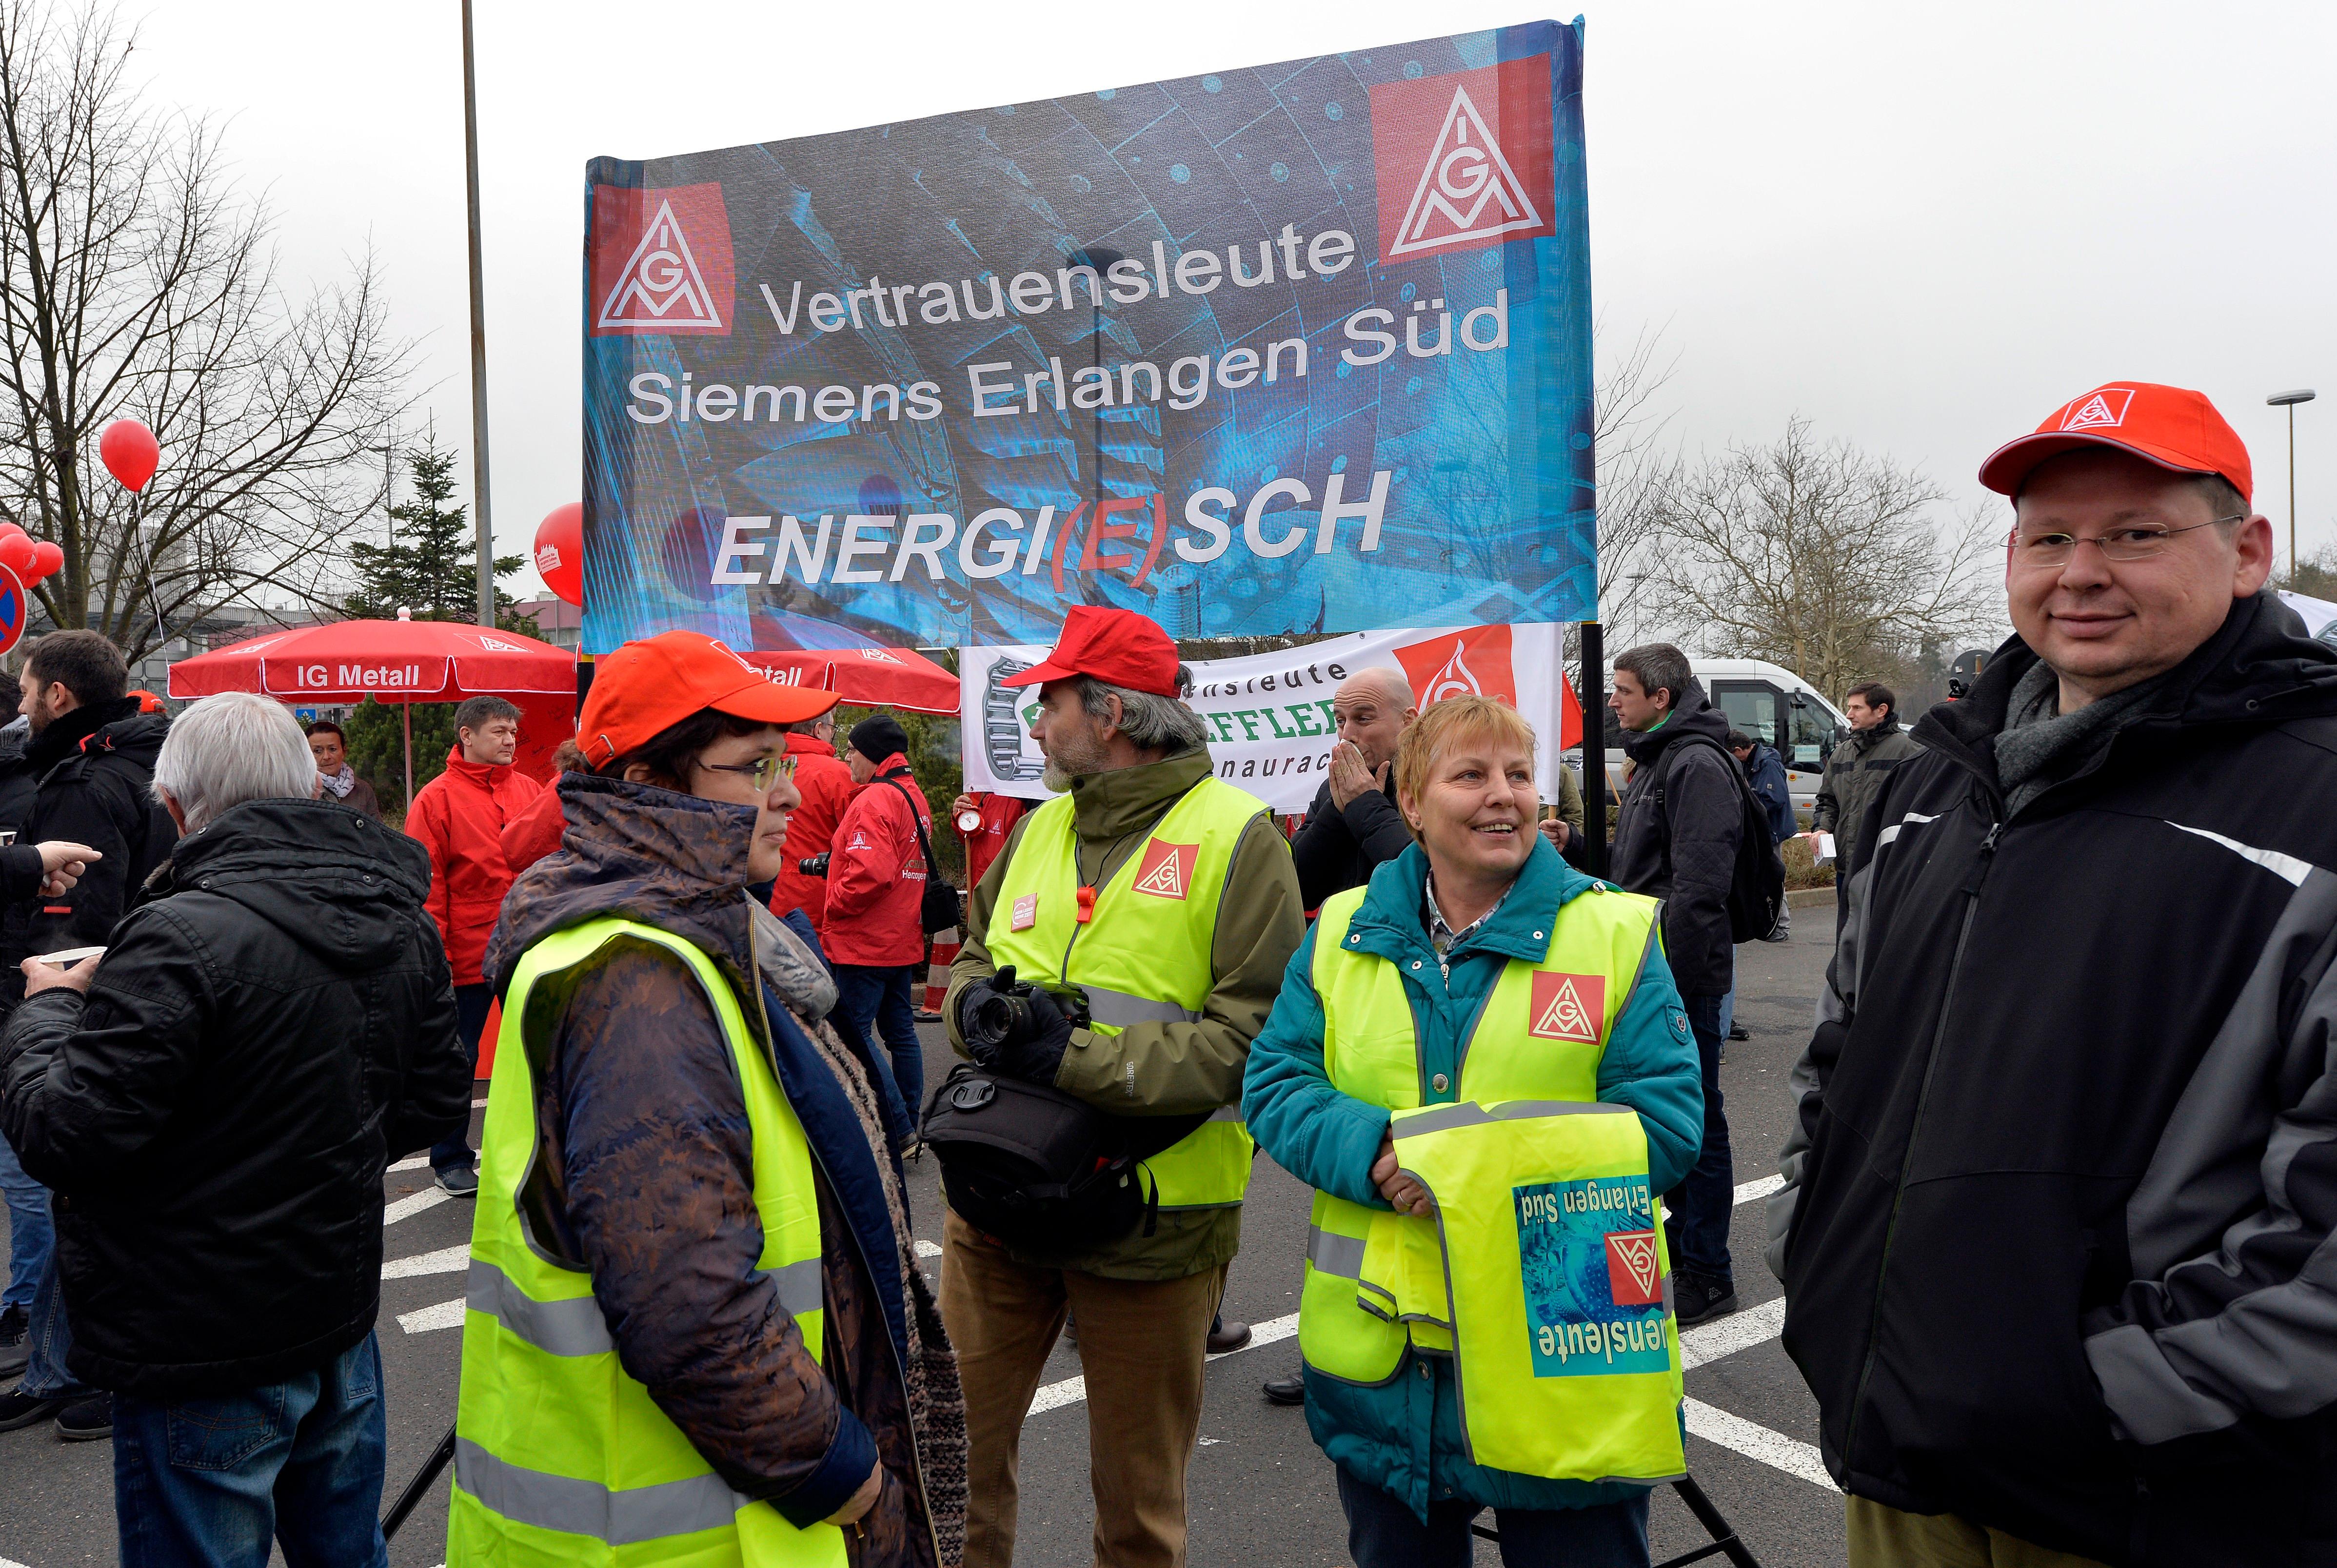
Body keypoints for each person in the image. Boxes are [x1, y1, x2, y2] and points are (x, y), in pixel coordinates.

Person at [1768, 382, 2337, 1568]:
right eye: (2047, 537)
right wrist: (1817, 1264)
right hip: (1901, 1463)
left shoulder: (2313, 799)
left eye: (2133, 533)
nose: (2079, 571)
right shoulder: (1929, 788)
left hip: (2153, 1495)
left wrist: (2090, 1396)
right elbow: (1839, 1060)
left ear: (2245, 554)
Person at [454, 631, 964, 1568]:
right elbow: (687, 1307)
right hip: (687, 1534)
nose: (788, 792)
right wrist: (846, 1477)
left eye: (783, 763)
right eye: (751, 768)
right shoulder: (634, 973)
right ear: (650, 781)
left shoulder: (682, 931)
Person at [0, 692, 471, 1558]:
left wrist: (46, 1012)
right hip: (332, 1315)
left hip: (199, 1341)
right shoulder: (400, 919)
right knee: (347, 1548)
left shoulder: (178, 934)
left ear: (176, 806)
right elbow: (433, 1104)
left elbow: (65, 1135)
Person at [1244, 694, 1704, 1568]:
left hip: (1563, 1352)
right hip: (1386, 1366)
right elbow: (1275, 1080)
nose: (1504, 796)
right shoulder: (1340, 929)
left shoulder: (1610, 931)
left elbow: (1666, 1126)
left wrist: (1462, 1169)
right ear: (1410, 801)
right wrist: (1375, 1151)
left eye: (1518, 774)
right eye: (1471, 775)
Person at [941, 605, 1305, 1568]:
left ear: (1108, 713)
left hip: (1151, 1219)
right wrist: (978, 1010)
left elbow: (1251, 1039)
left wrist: (1066, 1057)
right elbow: (976, 954)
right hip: (998, 1205)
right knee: (950, 1465)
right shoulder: (1037, 827)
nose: (1033, 720)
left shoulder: (1238, 838)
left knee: (1135, 1513)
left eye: (1048, 701)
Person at [0, 628, 176, 1439]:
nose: (22, 705)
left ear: (59, 697)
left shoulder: (82, 780)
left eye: (28, 690)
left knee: (54, 1189)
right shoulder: (144, 758)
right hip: (141, 999)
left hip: (71, 1008)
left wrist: (39, 1011)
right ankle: (57, 1358)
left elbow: (68, 936)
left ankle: (66, 1363)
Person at [1605, 643, 1742, 1326]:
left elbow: (1699, 892)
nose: (1613, 701)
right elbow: (1643, 871)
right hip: (1655, 969)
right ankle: (1686, 1255)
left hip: (1679, 975)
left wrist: (1673, 992)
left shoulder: (1693, 764)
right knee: (1669, 1116)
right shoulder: (1663, 760)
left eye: (1624, 691)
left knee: (1698, 1120)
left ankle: (1708, 1271)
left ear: (1662, 697)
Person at [402, 693, 542, 1196]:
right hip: (466, 952)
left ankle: (542, 1150)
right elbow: (427, 883)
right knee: (455, 1059)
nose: (509, 741)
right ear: (467, 735)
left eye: (512, 733)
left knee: (541, 1052)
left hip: (531, 940)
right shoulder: (436, 798)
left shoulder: (529, 788)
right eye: (499, 732)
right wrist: (433, 953)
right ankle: (449, 1158)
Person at [823, 712, 939, 1126]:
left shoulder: (874, 798)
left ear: (872, 754)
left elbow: (871, 873)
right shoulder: (912, 794)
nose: (847, 757)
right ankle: (910, 1119)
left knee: (855, 1036)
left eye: (852, 750)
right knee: (901, 1034)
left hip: (865, 945)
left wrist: (833, 902)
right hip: (900, 940)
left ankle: (899, 1129)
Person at [1290, 668, 1418, 910]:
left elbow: (1425, 881)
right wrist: (1336, 813)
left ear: (1408, 721)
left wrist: (1365, 805)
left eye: (1363, 719)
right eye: (1340, 721)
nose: (1346, 735)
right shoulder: (1333, 789)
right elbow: (1295, 888)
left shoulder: (1436, 785)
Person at [1807, 681, 1921, 927]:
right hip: (1846, 868)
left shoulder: (1911, 753)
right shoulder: (1841, 753)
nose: (1849, 714)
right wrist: (1822, 828)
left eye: (1857, 708)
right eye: (1849, 708)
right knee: (1847, 938)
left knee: (1880, 938)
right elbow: (1828, 801)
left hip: (1887, 867)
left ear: (1881, 711)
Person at [771, 706, 855, 929]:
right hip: (820, 905)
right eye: (832, 728)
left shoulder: (762, 769)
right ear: (819, 730)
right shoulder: (840, 776)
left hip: (767, 901)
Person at [1728, 728, 1795, 945]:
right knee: (1762, 876)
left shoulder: (1768, 764)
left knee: (1773, 875)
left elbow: (1776, 799)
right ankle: (1766, 923)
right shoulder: (1753, 762)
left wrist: (1750, 811)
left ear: (1739, 750)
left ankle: (1781, 925)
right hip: (1763, 830)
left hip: (1771, 831)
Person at [305, 720, 381, 819]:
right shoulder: (303, 791)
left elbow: (376, 830)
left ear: (344, 751)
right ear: (307, 755)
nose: (326, 757)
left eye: (333, 749)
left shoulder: (362, 790)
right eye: (318, 751)